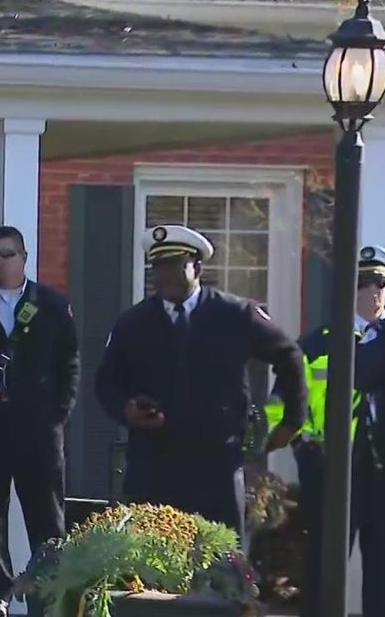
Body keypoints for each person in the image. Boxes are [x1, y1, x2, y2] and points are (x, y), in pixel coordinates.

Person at [94, 224, 307, 536]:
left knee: (222, 564)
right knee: (150, 561)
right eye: (159, 267)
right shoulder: (134, 322)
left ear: (197, 267)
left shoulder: (234, 314)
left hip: (216, 462)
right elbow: (106, 383)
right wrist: (126, 410)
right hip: (154, 462)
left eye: (175, 266)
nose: (165, 276)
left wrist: (291, 420)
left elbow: (289, 355)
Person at [0, 225, 79, 617]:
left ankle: (47, 597)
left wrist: (58, 416)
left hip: (39, 431)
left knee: (46, 519)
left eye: (7, 254)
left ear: (24, 257)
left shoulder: (50, 304)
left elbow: (70, 363)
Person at [343, 245, 385, 617]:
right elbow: (289, 403)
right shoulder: (325, 338)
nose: (372, 291)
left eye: (379, 282)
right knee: (324, 569)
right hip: (339, 473)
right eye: (363, 282)